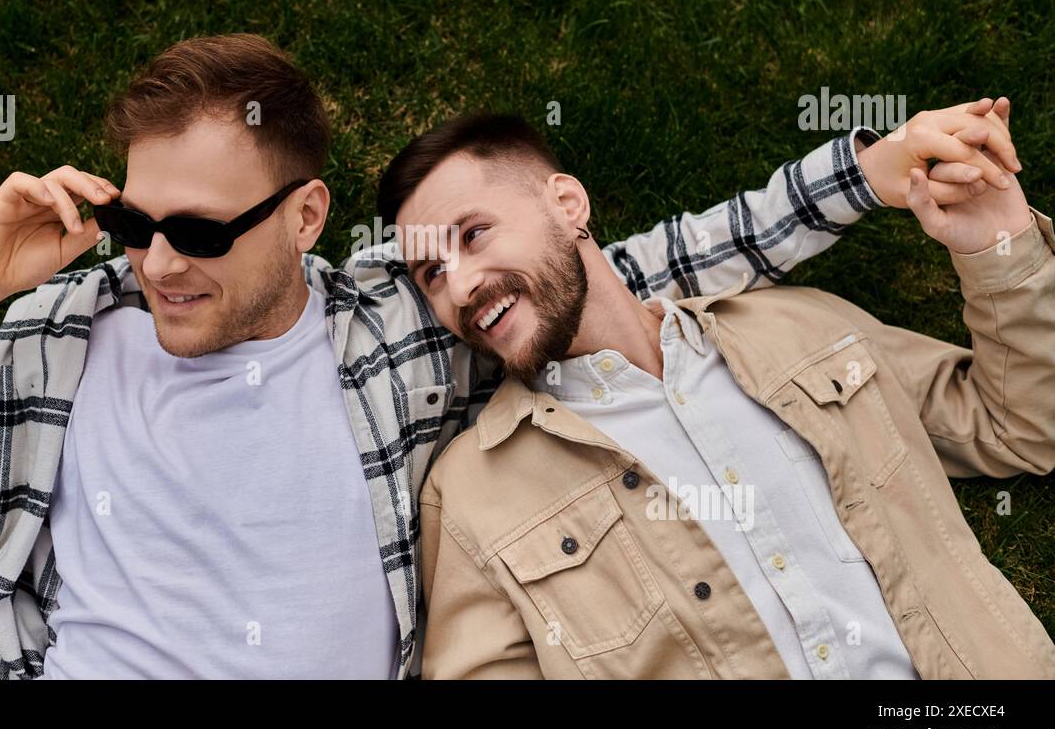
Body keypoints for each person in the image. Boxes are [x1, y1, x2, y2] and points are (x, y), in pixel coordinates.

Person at [0, 34, 1016, 679]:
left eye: (198, 231)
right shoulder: (54, 351)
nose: (157, 262)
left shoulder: (405, 325)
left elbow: (638, 267)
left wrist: (855, 175)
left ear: (304, 218)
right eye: (139, 225)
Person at [378, 103, 1055, 679]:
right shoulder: (472, 494)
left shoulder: (802, 326)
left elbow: (1022, 428)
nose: (461, 286)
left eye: (474, 235)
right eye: (433, 272)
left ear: (566, 203)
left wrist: (998, 243)